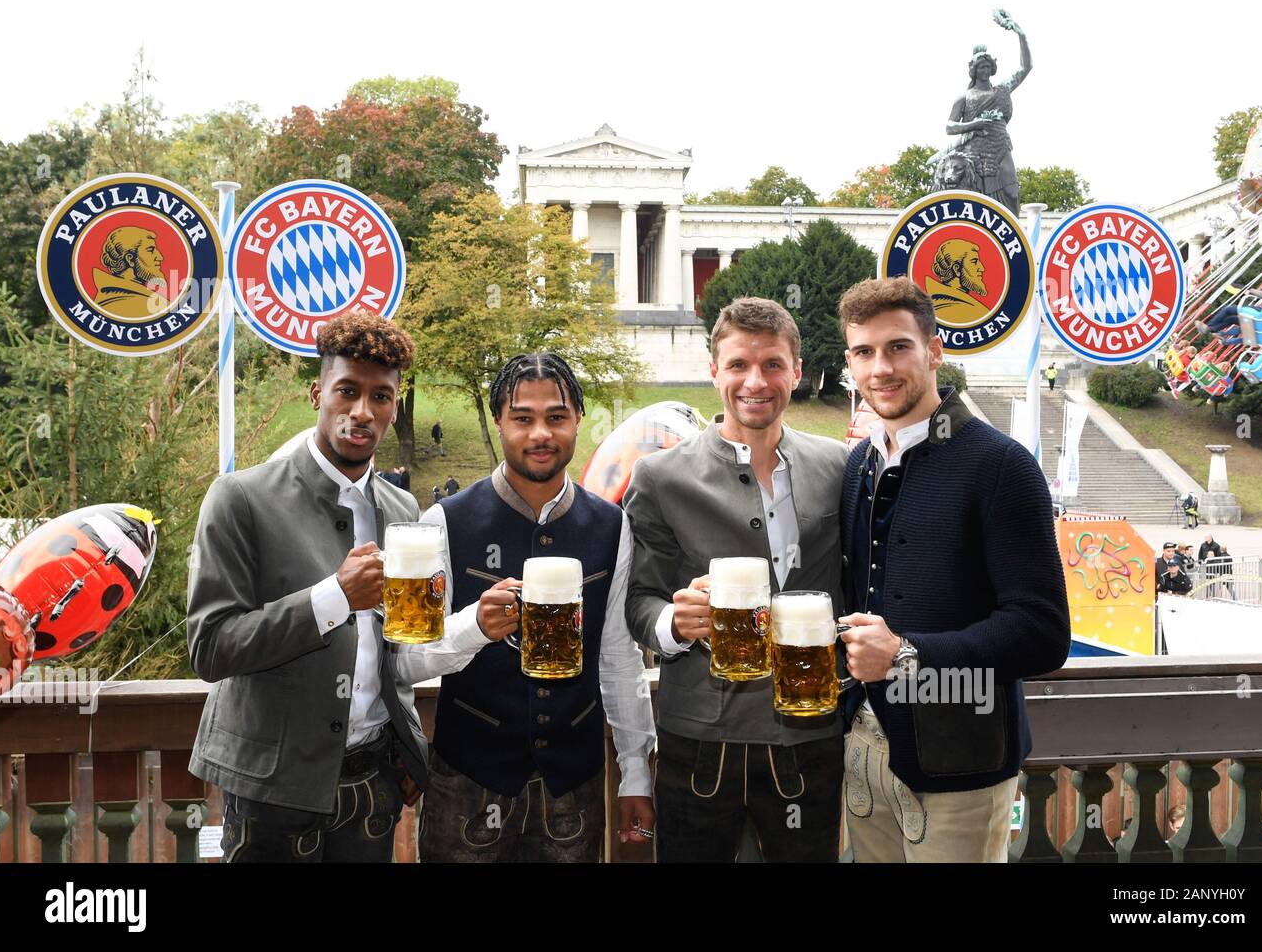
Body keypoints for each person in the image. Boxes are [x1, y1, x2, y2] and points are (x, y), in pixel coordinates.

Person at [836, 276, 1069, 862]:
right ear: (849, 363)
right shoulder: (858, 465)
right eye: (864, 352)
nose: (880, 368)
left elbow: (1043, 634)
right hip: (863, 750)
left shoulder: (1001, 465)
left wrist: (907, 655)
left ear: (935, 350)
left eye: (898, 347)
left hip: (962, 758)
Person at [186, 312, 429, 862]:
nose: (361, 412)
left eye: (381, 397)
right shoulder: (239, 498)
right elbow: (210, 648)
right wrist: (335, 597)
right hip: (272, 791)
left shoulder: (403, 508)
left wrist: (404, 747)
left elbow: (394, 653)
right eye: (347, 391)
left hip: (372, 785)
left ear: (394, 406)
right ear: (318, 393)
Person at [402, 352, 656, 862]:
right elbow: (403, 660)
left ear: (578, 420)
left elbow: (618, 659)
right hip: (466, 782)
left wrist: (635, 773)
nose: (540, 433)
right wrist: (473, 626)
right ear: (499, 420)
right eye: (523, 418)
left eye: (556, 417)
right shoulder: (441, 523)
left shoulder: (611, 525)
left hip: (573, 788)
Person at [624, 296, 849, 863]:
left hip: (810, 736)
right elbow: (638, 602)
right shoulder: (658, 476)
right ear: (713, 372)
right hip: (700, 739)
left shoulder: (842, 466)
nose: (756, 381)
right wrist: (673, 622)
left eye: (773, 364)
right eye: (738, 365)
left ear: (798, 371)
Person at [943, 11, 1032, 215]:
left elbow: (1026, 67)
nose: (984, 70)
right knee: (977, 197)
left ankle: (1011, 233)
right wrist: (976, 124)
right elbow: (950, 126)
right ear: (974, 71)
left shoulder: (1002, 89)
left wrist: (1021, 34)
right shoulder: (964, 97)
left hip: (1000, 145)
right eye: (980, 67)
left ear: (992, 68)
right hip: (973, 150)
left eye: (987, 67)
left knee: (1012, 193)